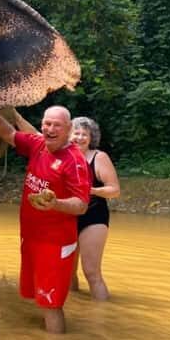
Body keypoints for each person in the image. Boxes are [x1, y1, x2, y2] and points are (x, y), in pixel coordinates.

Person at [0, 106, 90, 333]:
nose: (50, 129)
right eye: (47, 124)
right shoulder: (38, 145)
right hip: (32, 236)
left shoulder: (75, 161)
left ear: (69, 129)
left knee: (52, 305)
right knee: (38, 297)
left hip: (55, 243)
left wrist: (56, 204)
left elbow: (81, 205)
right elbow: (8, 133)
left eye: (57, 125)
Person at [70, 117, 120, 300]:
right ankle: (77, 309)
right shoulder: (63, 155)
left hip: (93, 217)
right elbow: (36, 138)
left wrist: (91, 190)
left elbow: (114, 190)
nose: (80, 137)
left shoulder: (99, 157)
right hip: (67, 216)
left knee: (91, 272)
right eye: (76, 133)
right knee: (67, 272)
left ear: (91, 139)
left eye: (85, 134)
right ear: (68, 135)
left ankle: (103, 317)